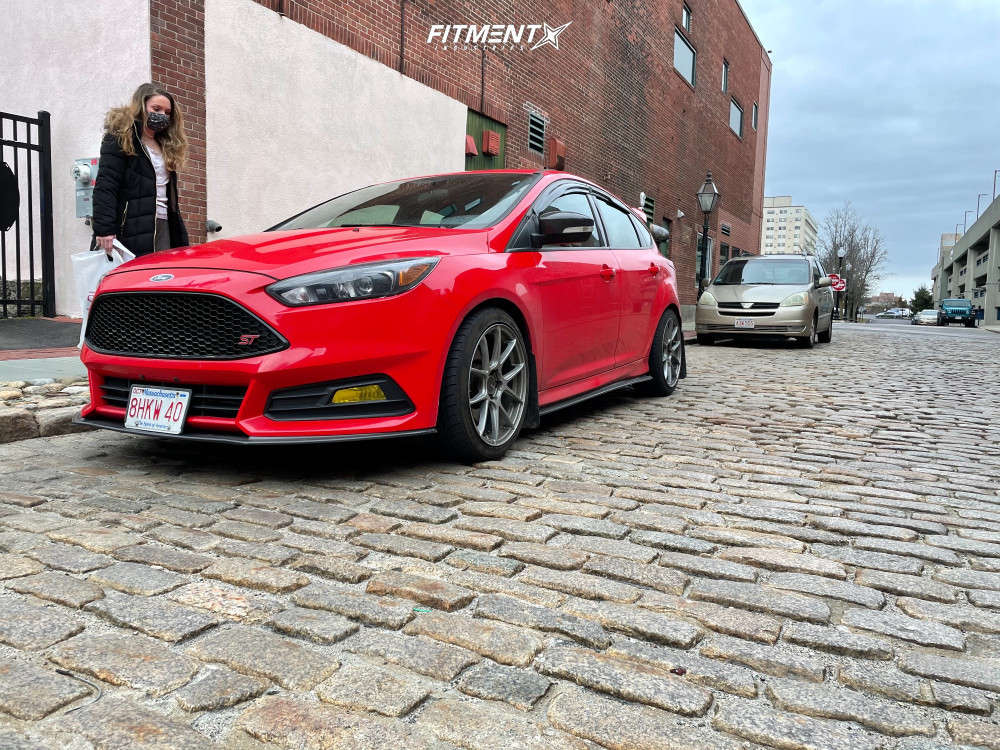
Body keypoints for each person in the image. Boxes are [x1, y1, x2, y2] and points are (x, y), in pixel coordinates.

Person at [91, 83, 189, 256]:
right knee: (133, 278)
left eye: (167, 113)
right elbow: (106, 185)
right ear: (141, 106)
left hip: (163, 223)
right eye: (156, 109)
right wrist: (104, 228)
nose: (162, 115)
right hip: (130, 226)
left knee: (161, 277)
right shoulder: (121, 138)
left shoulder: (165, 145)